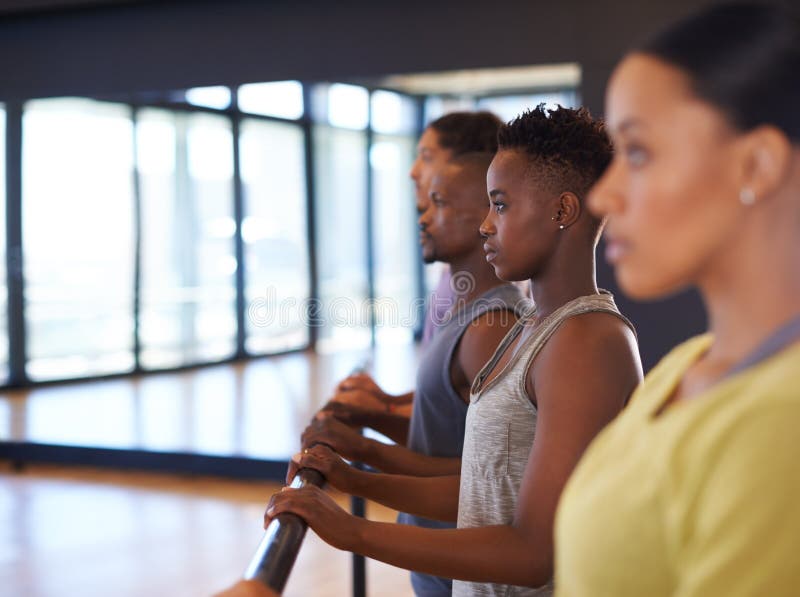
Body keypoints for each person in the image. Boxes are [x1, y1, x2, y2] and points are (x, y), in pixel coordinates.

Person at [269, 106, 643, 597]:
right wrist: (354, 476)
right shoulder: (535, 326)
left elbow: (533, 553)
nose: (486, 225)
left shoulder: (586, 340)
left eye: (501, 205)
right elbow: (483, 492)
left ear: (562, 211)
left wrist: (354, 532)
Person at [553, 4, 800, 597]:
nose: (603, 196)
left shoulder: (781, 425)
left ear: (756, 165)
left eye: (636, 153)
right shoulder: (686, 365)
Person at [308, 152, 526, 596]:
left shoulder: (492, 325)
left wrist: (362, 461)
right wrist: (373, 418)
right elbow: (449, 432)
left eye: (439, 202)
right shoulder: (465, 310)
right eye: (425, 203)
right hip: (435, 562)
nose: (424, 217)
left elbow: (483, 477)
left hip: (456, 566)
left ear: (486, 213)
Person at [325, 111, 505, 440]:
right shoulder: (459, 283)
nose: (413, 171)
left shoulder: (492, 317)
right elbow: (447, 395)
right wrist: (383, 405)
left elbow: (480, 462)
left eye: (427, 156)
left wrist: (358, 457)